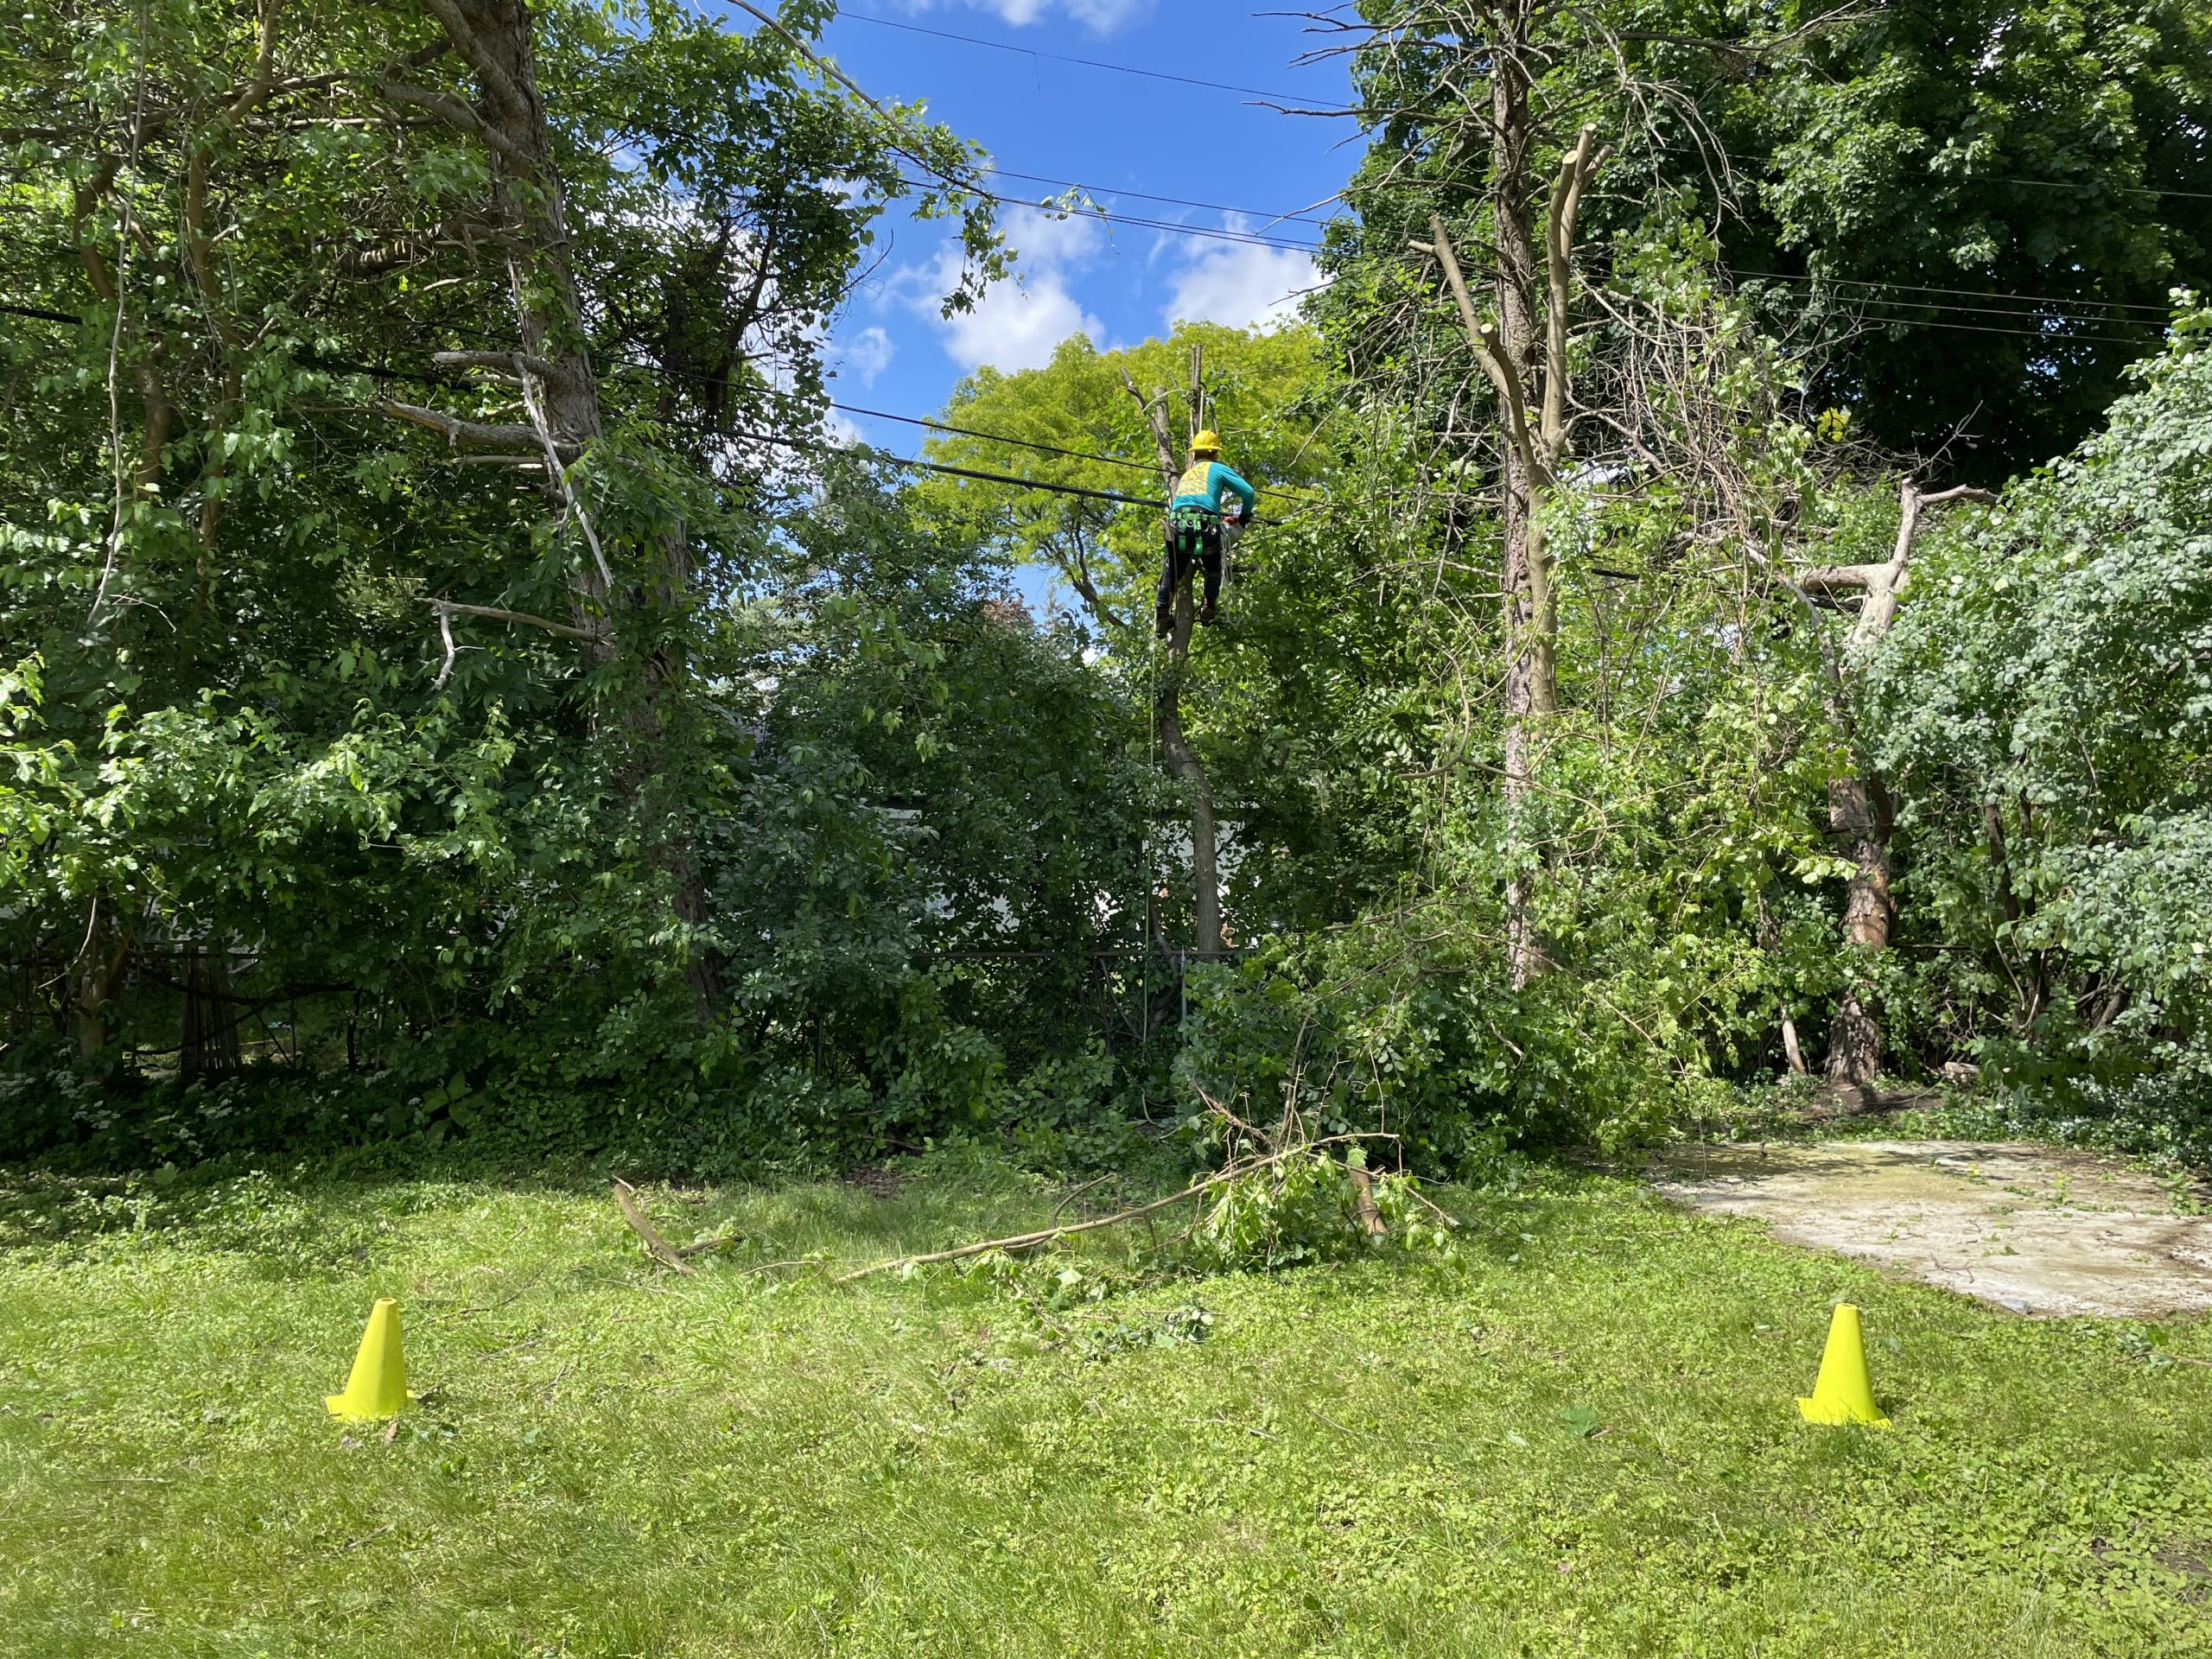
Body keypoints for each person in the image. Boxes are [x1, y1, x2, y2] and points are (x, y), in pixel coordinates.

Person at [1155, 429, 1257, 637]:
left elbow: (1193, 505)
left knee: (1172, 574)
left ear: (1194, 454)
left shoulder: (1187, 475)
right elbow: (1248, 492)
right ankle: (1208, 608)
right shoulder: (1217, 468)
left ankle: (1163, 615)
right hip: (1205, 529)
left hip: (1178, 528)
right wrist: (1245, 515)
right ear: (1214, 454)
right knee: (1213, 568)